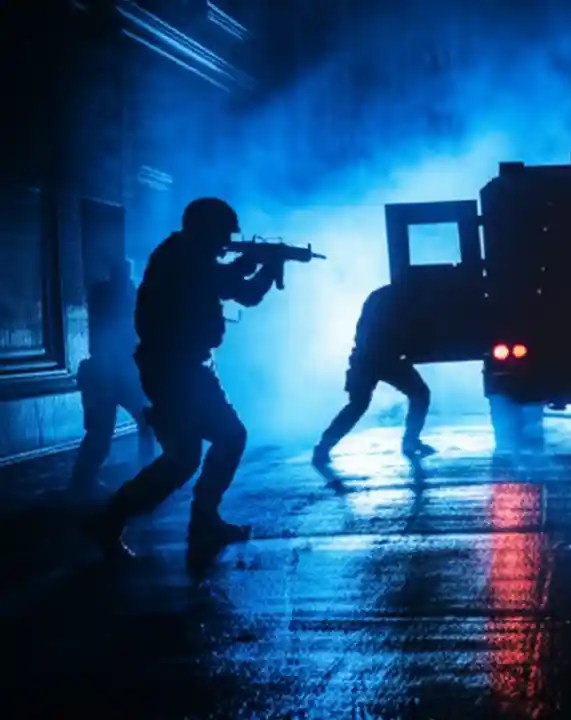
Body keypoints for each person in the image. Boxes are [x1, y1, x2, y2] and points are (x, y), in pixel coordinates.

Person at [85, 198, 283, 559]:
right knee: (204, 448)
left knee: (190, 454)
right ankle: (135, 518)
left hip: (181, 368)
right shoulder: (182, 258)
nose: (226, 239)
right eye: (222, 232)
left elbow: (226, 284)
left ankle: (135, 518)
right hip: (177, 371)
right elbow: (241, 290)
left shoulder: (184, 255)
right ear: (204, 227)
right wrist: (266, 267)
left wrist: (255, 264)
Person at [313, 283, 434, 469]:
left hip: (366, 357)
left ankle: (323, 448)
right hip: (381, 357)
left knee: (357, 405)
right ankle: (410, 441)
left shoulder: (380, 295)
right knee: (420, 393)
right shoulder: (401, 299)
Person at [68, 259, 154, 495]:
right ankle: (84, 482)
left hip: (118, 371)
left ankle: (85, 482)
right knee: (105, 430)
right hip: (113, 371)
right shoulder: (114, 295)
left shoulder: (111, 293)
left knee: (139, 423)